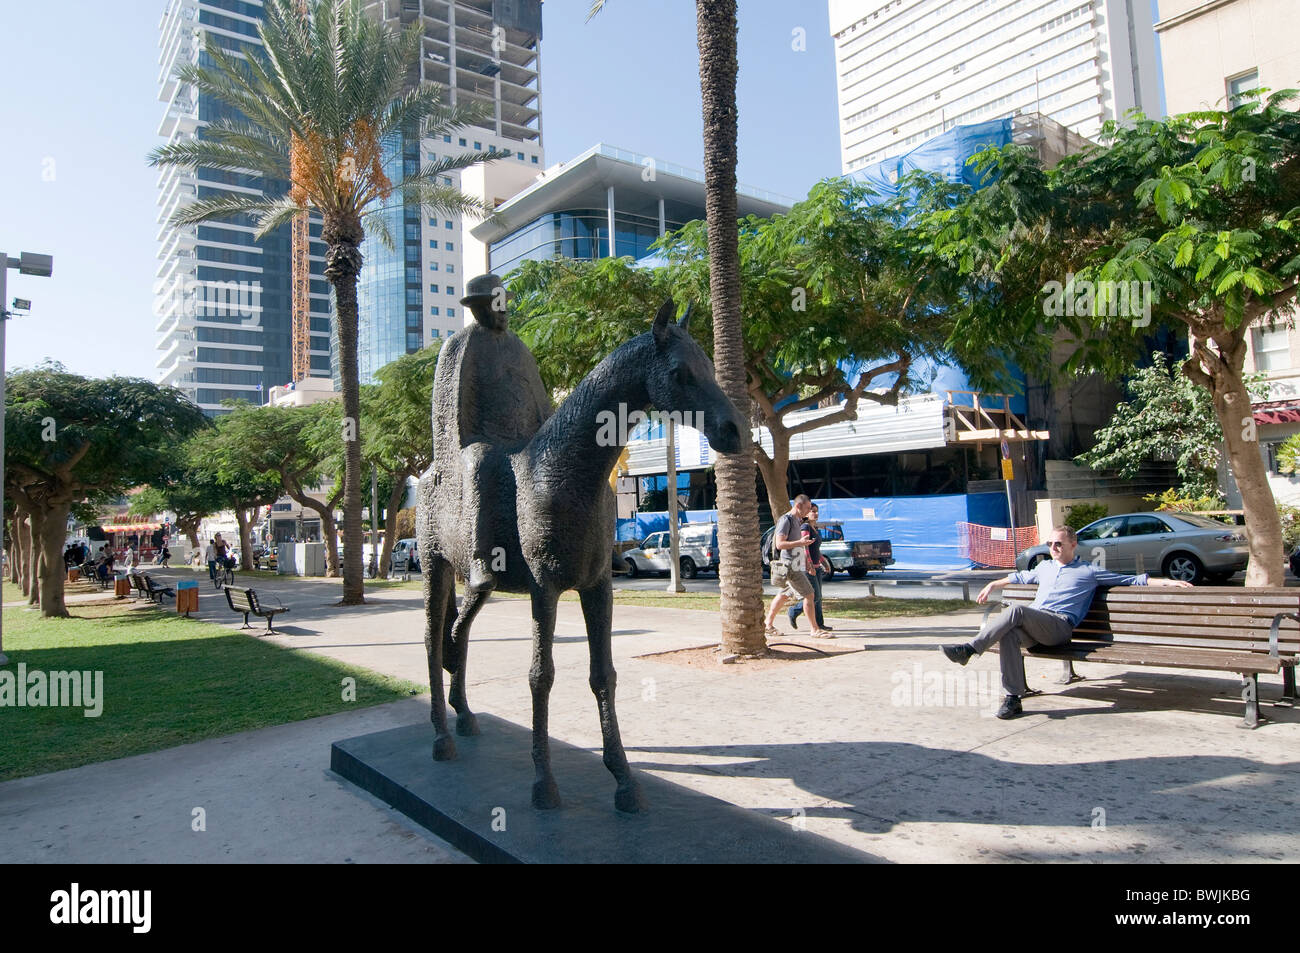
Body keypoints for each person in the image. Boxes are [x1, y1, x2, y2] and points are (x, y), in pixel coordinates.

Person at [940, 525, 1193, 719]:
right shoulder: (1044, 568)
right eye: (1050, 543)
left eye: (1059, 543)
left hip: (1058, 628)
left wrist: (1168, 581)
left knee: (1016, 611)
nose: (1054, 547)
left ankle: (970, 649)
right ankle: (1013, 699)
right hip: (1035, 627)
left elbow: (1132, 580)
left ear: (1073, 544)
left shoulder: (1089, 571)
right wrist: (994, 583)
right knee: (1009, 634)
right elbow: (1019, 576)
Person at [429, 273, 552, 593]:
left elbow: (541, 402)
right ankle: (479, 558)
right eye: (494, 304)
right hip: (482, 441)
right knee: (480, 464)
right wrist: (446, 460)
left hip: (524, 443)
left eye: (503, 304)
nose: (502, 310)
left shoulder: (520, 349)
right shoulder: (460, 345)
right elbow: (445, 407)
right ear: (478, 309)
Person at [764, 495, 830, 638]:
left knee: (783, 595)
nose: (809, 511)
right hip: (789, 566)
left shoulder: (797, 520)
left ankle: (767, 624)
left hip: (797, 564)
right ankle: (814, 629)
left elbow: (799, 546)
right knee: (809, 594)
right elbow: (780, 544)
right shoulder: (786, 520)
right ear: (799, 506)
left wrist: (806, 561)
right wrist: (800, 542)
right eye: (807, 508)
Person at [788, 503, 833, 633]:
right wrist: (809, 563)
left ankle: (820, 624)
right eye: (812, 511)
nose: (815, 513)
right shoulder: (805, 526)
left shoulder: (815, 528)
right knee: (814, 597)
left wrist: (824, 563)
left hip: (817, 567)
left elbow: (816, 550)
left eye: (817, 511)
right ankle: (794, 610)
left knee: (818, 598)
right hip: (807, 567)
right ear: (806, 513)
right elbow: (804, 547)